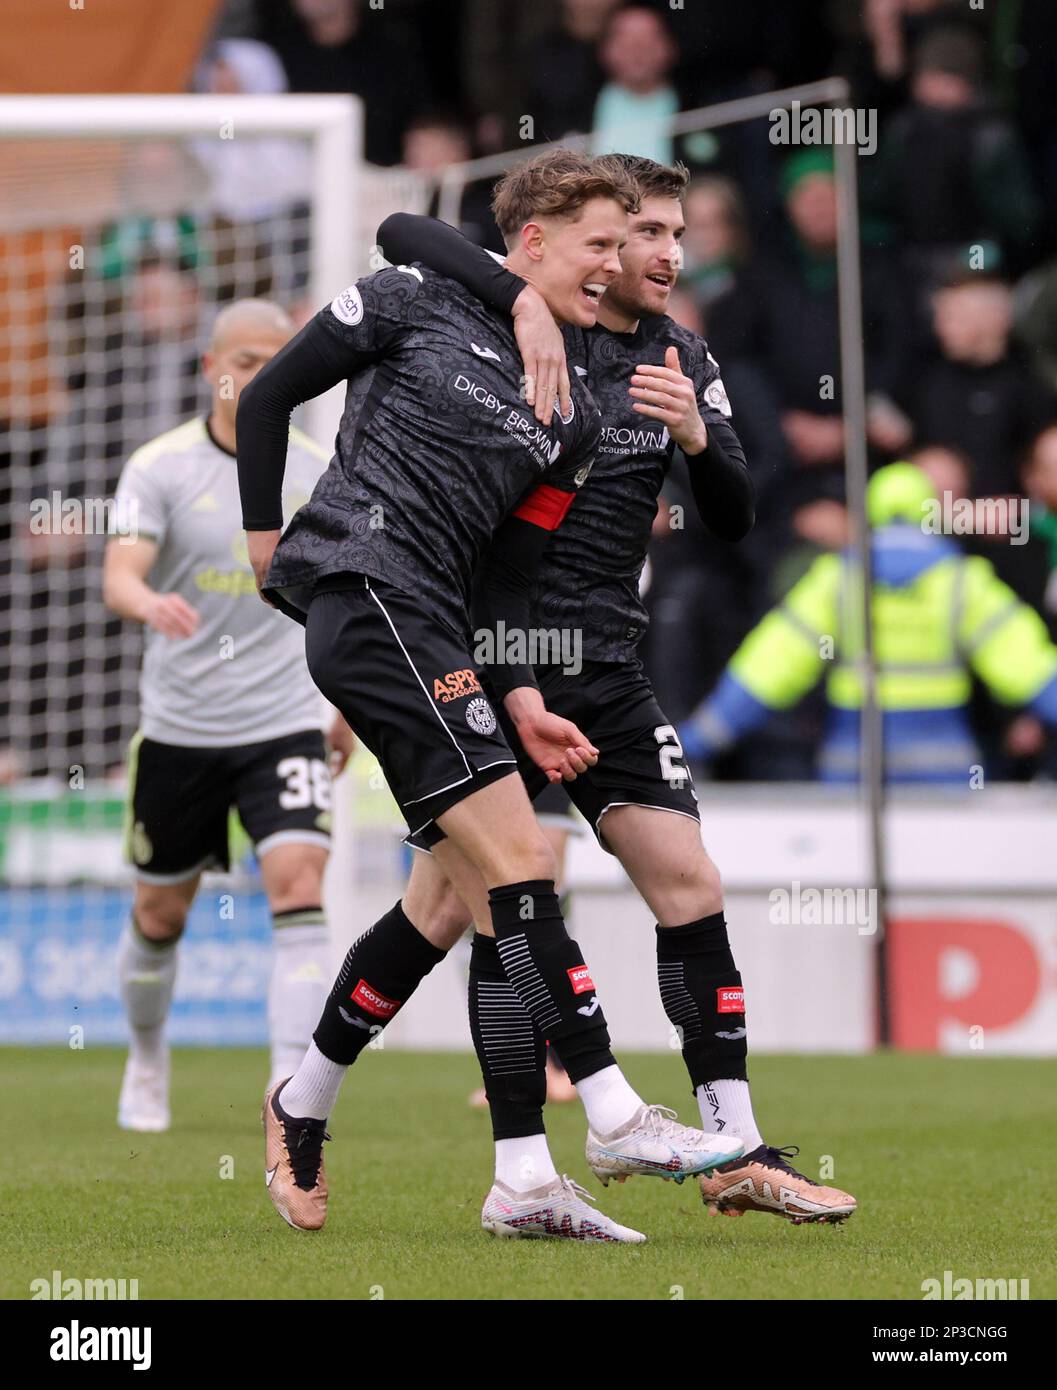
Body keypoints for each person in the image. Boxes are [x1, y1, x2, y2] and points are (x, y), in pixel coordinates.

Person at [237, 150, 742, 1241]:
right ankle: (608, 1110)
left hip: (443, 626)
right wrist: (270, 546)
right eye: (600, 245)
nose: (616, 266)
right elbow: (279, 381)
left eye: (630, 245)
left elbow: (505, 577)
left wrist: (516, 693)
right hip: (365, 589)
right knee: (519, 860)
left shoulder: (569, 411)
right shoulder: (423, 296)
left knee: (460, 890)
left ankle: (372, 1124)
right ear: (531, 245)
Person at [379, 153, 857, 1226]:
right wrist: (518, 303)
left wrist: (696, 435)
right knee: (484, 897)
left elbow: (736, 513)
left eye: (676, 234)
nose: (664, 253)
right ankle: (481, 1153)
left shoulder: (682, 354)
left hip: (607, 665)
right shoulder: (519, 324)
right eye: (642, 232)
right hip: (496, 656)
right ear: (586, 241)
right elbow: (406, 231)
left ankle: (732, 1142)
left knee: (687, 880)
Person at [103, 299, 354, 1131]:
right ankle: (146, 1058)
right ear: (211, 366)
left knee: (297, 883)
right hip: (180, 729)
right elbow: (119, 575)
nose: (256, 376)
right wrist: (146, 601)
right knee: (158, 914)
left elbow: (342, 601)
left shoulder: (317, 470)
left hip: (283, 720)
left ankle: (287, 1086)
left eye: (274, 361)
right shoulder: (161, 466)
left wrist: (346, 710)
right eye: (243, 360)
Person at [679, 461, 1057, 783]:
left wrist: (696, 739)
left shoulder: (838, 580)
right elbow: (1033, 670)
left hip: (855, 768)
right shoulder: (960, 580)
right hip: (942, 769)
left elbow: (768, 669)